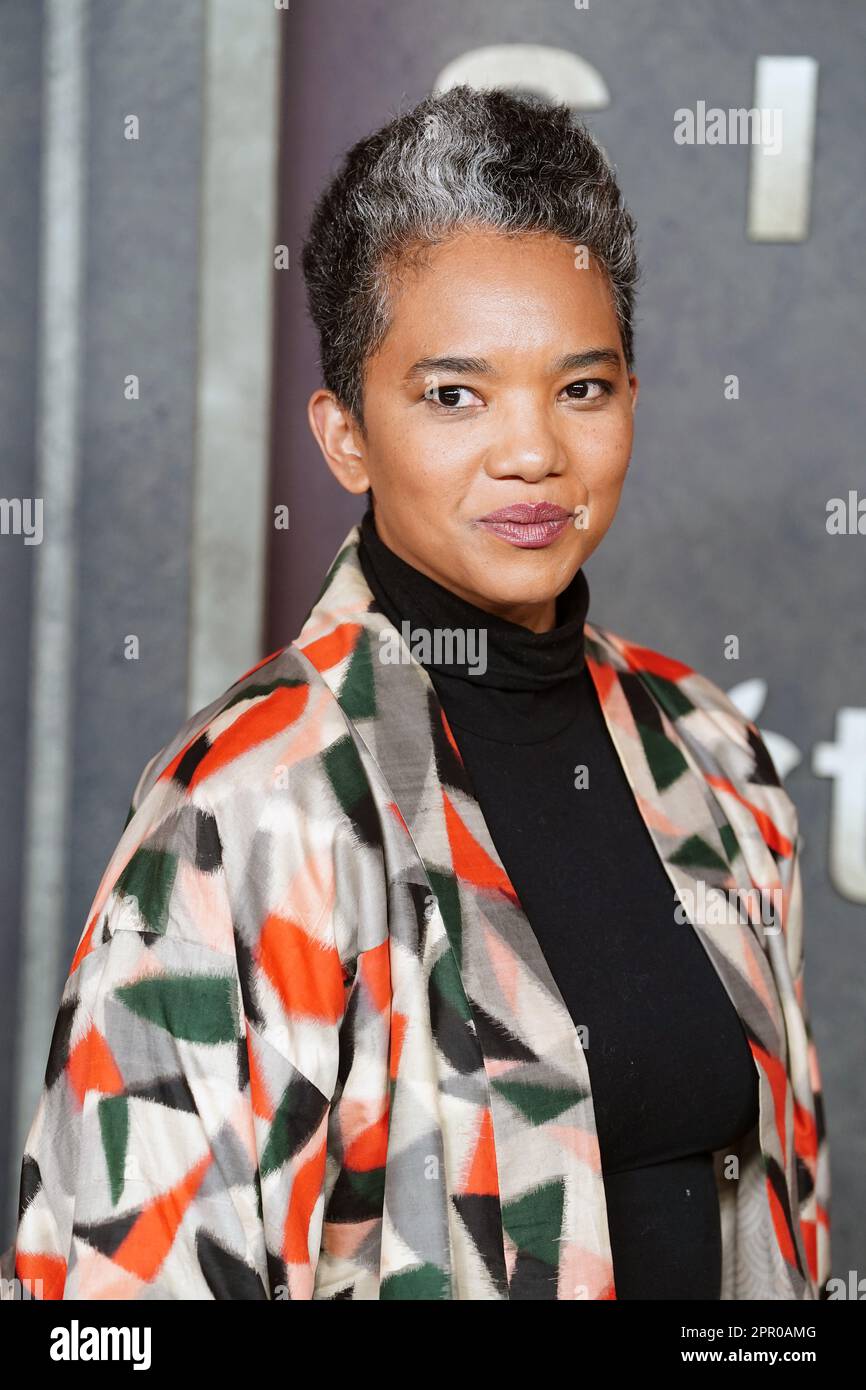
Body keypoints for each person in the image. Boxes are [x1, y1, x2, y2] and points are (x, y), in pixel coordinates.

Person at [10, 84, 829, 1300]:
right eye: (454, 394)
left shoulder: (714, 764)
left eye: (580, 387)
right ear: (345, 436)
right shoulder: (248, 806)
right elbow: (104, 1300)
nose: (530, 451)